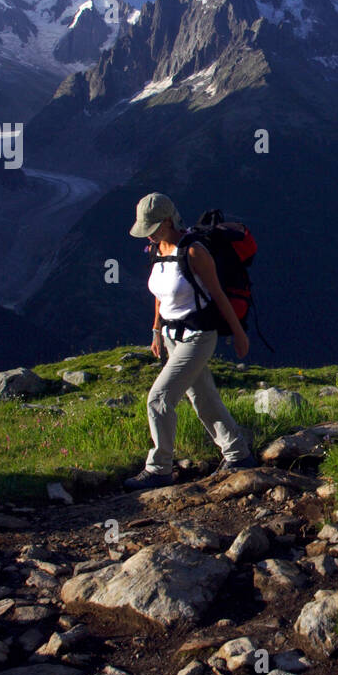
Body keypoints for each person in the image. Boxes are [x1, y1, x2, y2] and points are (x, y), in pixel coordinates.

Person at [124, 192, 257, 490]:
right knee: (203, 398)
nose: (149, 234)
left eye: (153, 227)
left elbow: (218, 295)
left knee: (159, 399)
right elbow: (159, 295)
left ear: (168, 221)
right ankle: (238, 454)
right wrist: (156, 330)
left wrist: (238, 333)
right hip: (172, 337)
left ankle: (159, 468)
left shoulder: (194, 252)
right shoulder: (156, 250)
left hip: (198, 335)